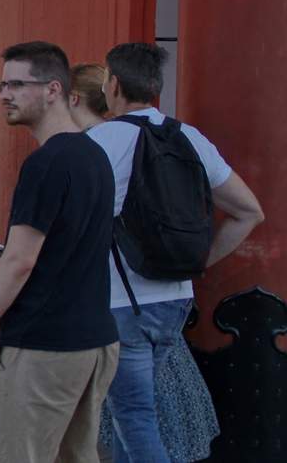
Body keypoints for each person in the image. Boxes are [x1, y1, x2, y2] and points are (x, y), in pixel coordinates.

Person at [88, 43, 263, 462]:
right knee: (133, 417)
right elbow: (249, 212)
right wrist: (198, 263)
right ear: (155, 87)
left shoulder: (100, 142)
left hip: (120, 302)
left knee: (133, 417)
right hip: (175, 300)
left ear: (113, 84)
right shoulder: (189, 137)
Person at [0, 41, 120, 463]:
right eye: (2, 85)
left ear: (53, 89)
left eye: (17, 85)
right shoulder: (94, 156)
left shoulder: (46, 164)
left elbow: (19, 260)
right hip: (94, 339)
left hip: (44, 344)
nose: (5, 95)